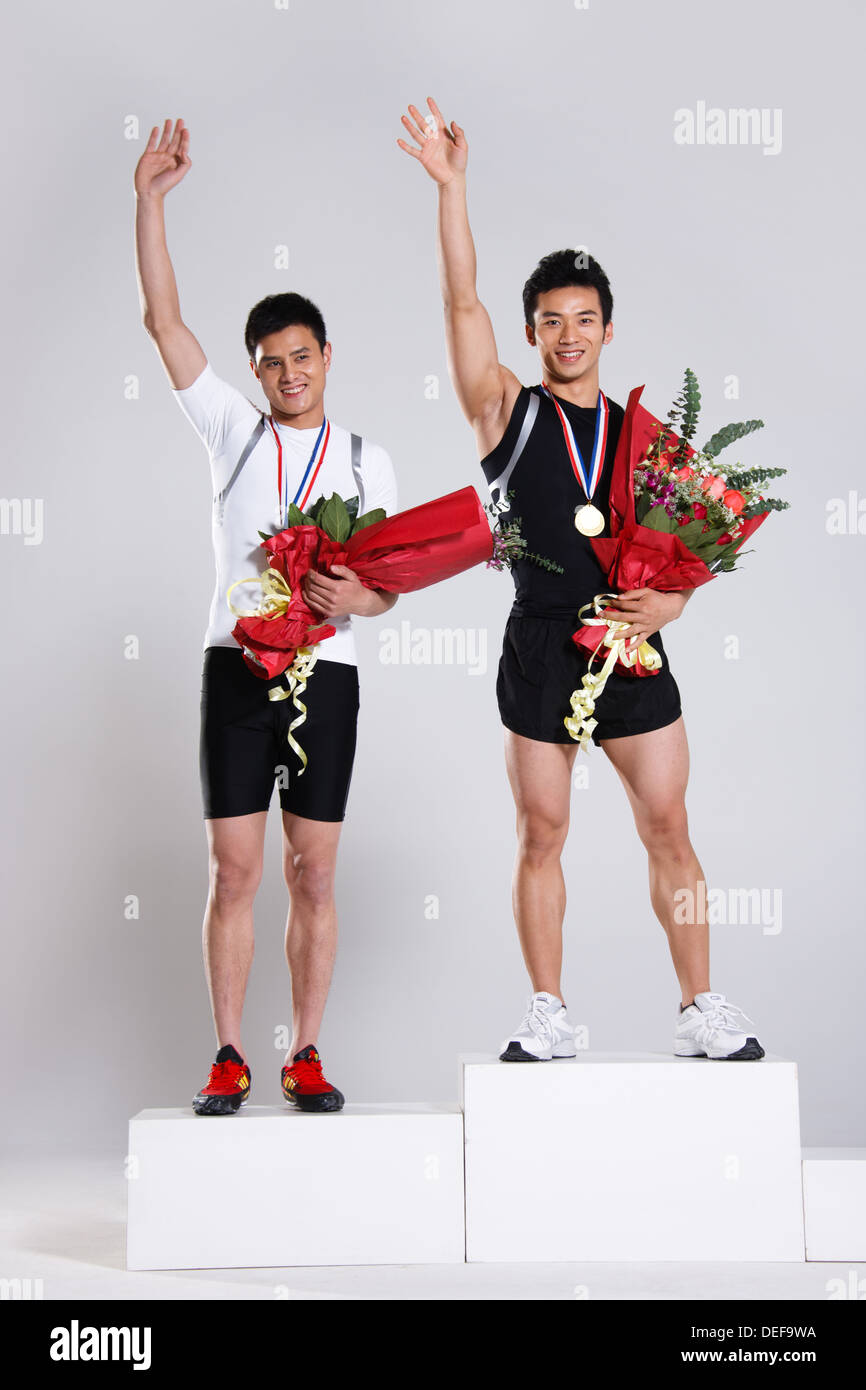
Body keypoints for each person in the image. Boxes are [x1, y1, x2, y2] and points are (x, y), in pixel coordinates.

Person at [398, 97, 764, 1064]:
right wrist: (452, 188)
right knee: (541, 833)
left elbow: (705, 537)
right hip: (542, 639)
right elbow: (459, 305)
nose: (569, 334)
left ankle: (701, 1007)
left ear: (608, 329)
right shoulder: (505, 415)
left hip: (632, 642)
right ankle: (549, 1011)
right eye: (551, 321)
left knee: (669, 827)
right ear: (531, 333)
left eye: (584, 320)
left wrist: (677, 600)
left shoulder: (642, 436)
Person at [134, 118, 398, 1114]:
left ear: (326, 356)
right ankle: (231, 1054)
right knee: (236, 869)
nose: (289, 371)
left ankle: (308, 1054)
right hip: (232, 668)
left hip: (327, 677)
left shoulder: (369, 460)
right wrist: (150, 201)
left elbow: (388, 587)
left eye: (302, 355)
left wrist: (353, 597)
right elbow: (164, 325)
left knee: (315, 873)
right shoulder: (232, 436)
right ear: (253, 371)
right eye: (271, 360)